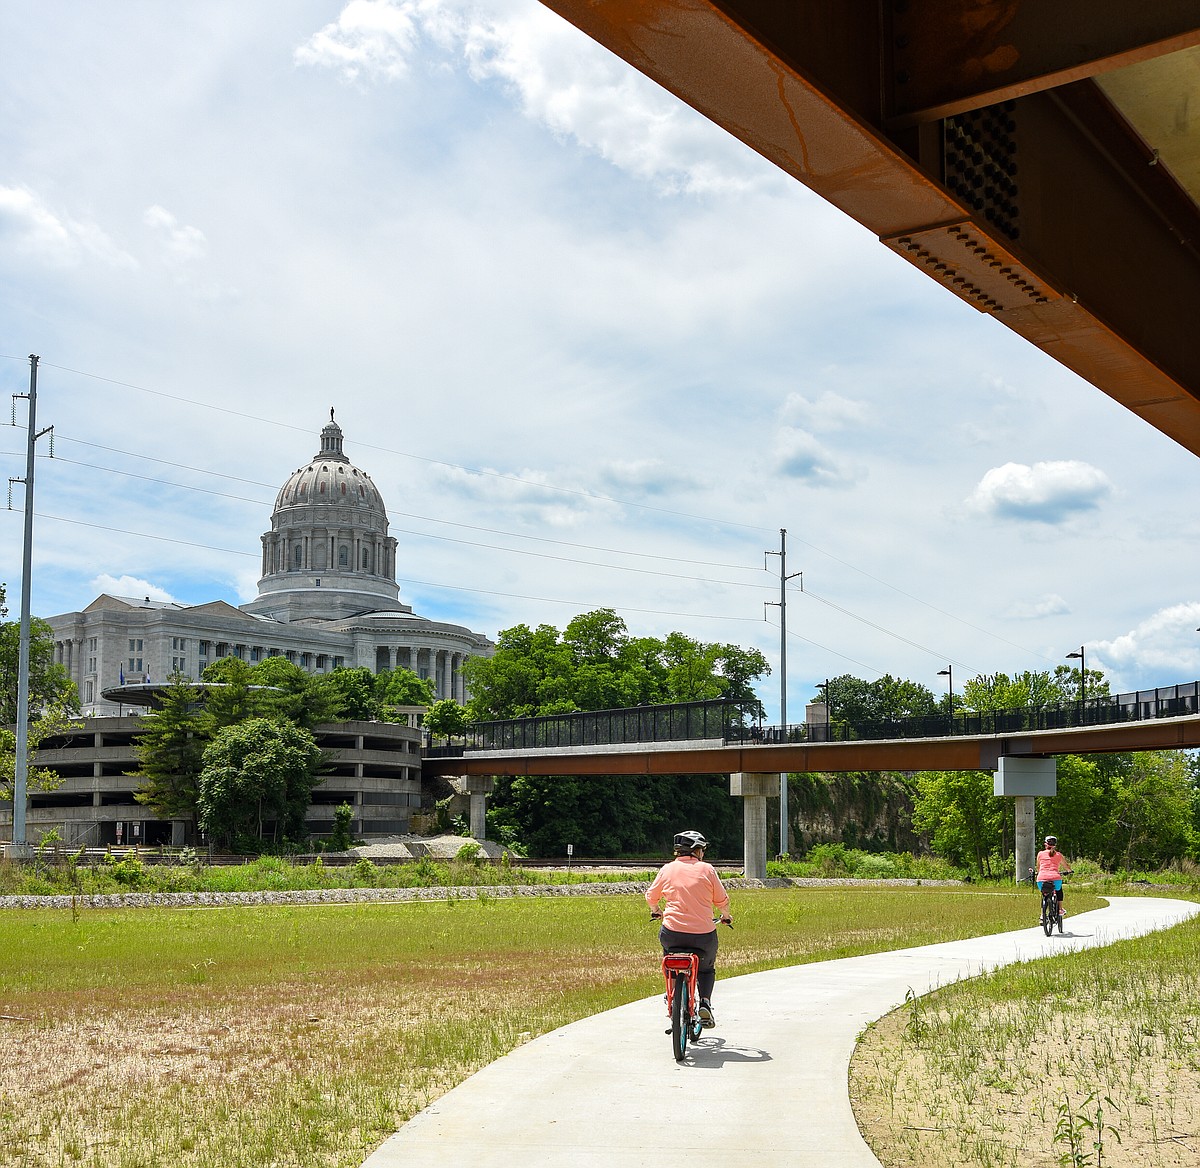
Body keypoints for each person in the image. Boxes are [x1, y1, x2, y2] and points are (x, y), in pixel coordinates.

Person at [645, 829, 731, 1028]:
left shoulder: (667, 869)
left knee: (669, 959)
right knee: (706, 969)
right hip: (703, 935)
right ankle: (705, 1004)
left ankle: (672, 995)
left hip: (672, 933)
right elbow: (721, 900)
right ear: (696, 851)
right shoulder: (707, 869)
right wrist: (726, 916)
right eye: (702, 849)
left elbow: (651, 896)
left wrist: (656, 910)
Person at [1034, 834, 1073, 920]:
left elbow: (1038, 867)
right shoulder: (1058, 855)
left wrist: (1038, 873)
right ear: (1055, 845)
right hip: (1055, 878)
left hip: (1041, 879)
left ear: (1045, 844)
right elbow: (1066, 866)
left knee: (1044, 895)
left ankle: (1042, 915)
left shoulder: (1040, 854)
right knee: (1059, 891)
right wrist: (1069, 871)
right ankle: (1060, 909)